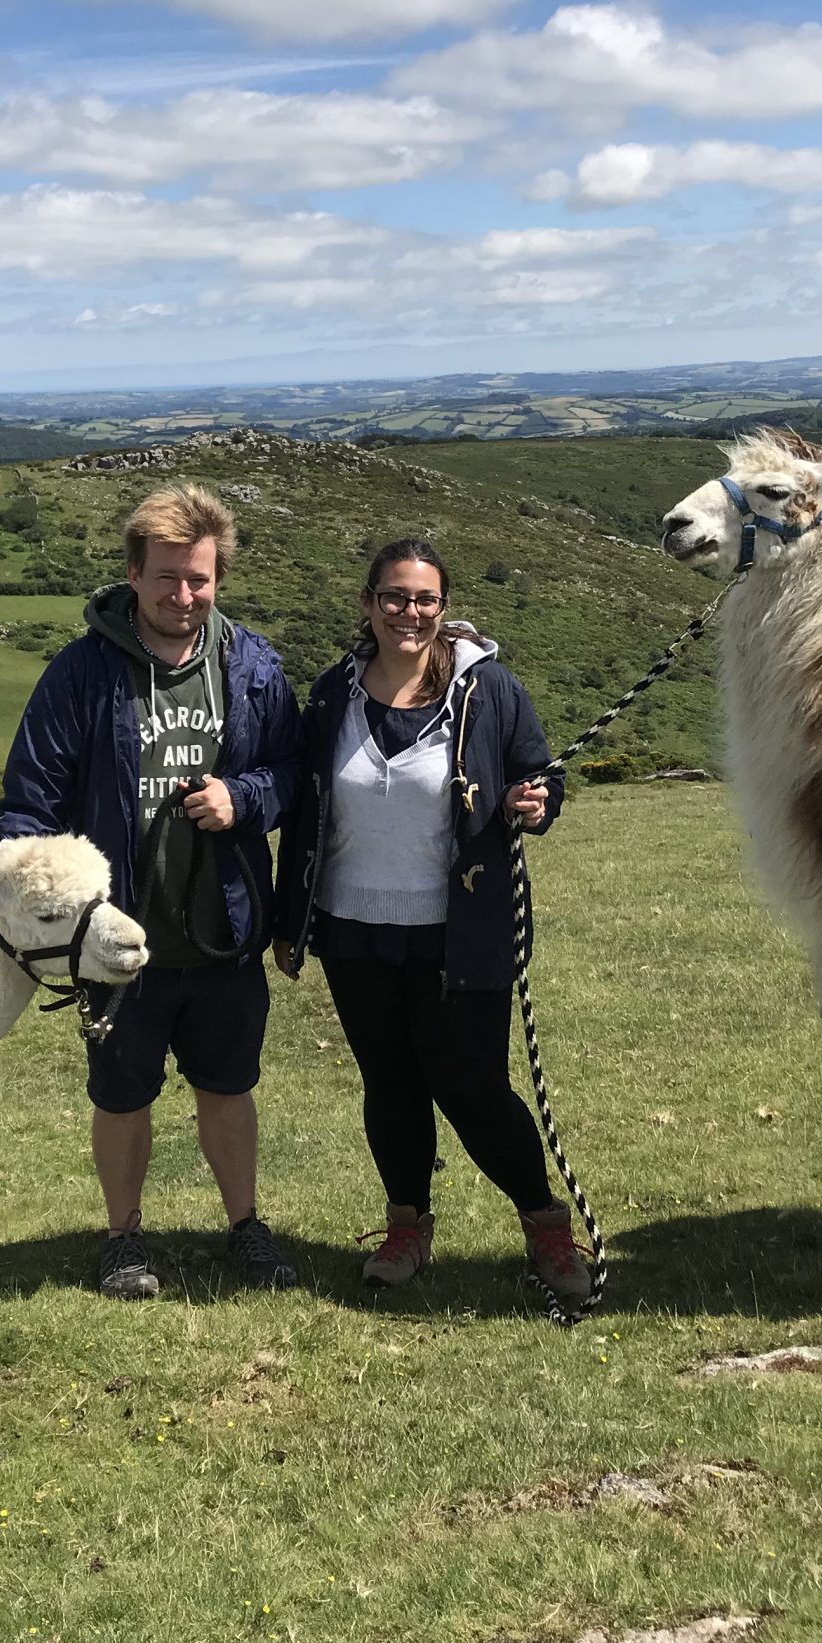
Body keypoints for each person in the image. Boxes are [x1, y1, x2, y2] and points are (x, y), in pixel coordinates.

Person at [0, 483, 301, 1299]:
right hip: (116, 943)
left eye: (199, 579)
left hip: (222, 932)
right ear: (133, 574)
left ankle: (245, 1226)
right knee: (122, 1094)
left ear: (218, 577)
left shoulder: (254, 667)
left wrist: (247, 799)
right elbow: (30, 800)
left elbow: (290, 774)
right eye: (166, 577)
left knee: (228, 1087)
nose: (183, 596)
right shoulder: (82, 674)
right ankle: (124, 1239)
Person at [272, 537, 589, 1302]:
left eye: (424, 600)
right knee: (390, 1082)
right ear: (368, 603)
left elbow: (538, 774)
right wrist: (290, 916)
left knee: (473, 1085)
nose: (408, 613)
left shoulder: (489, 690)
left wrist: (534, 802)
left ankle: (546, 1229)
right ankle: (407, 1227)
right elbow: (305, 803)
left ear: (443, 610)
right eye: (393, 598)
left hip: (459, 927)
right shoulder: (332, 693)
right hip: (354, 925)